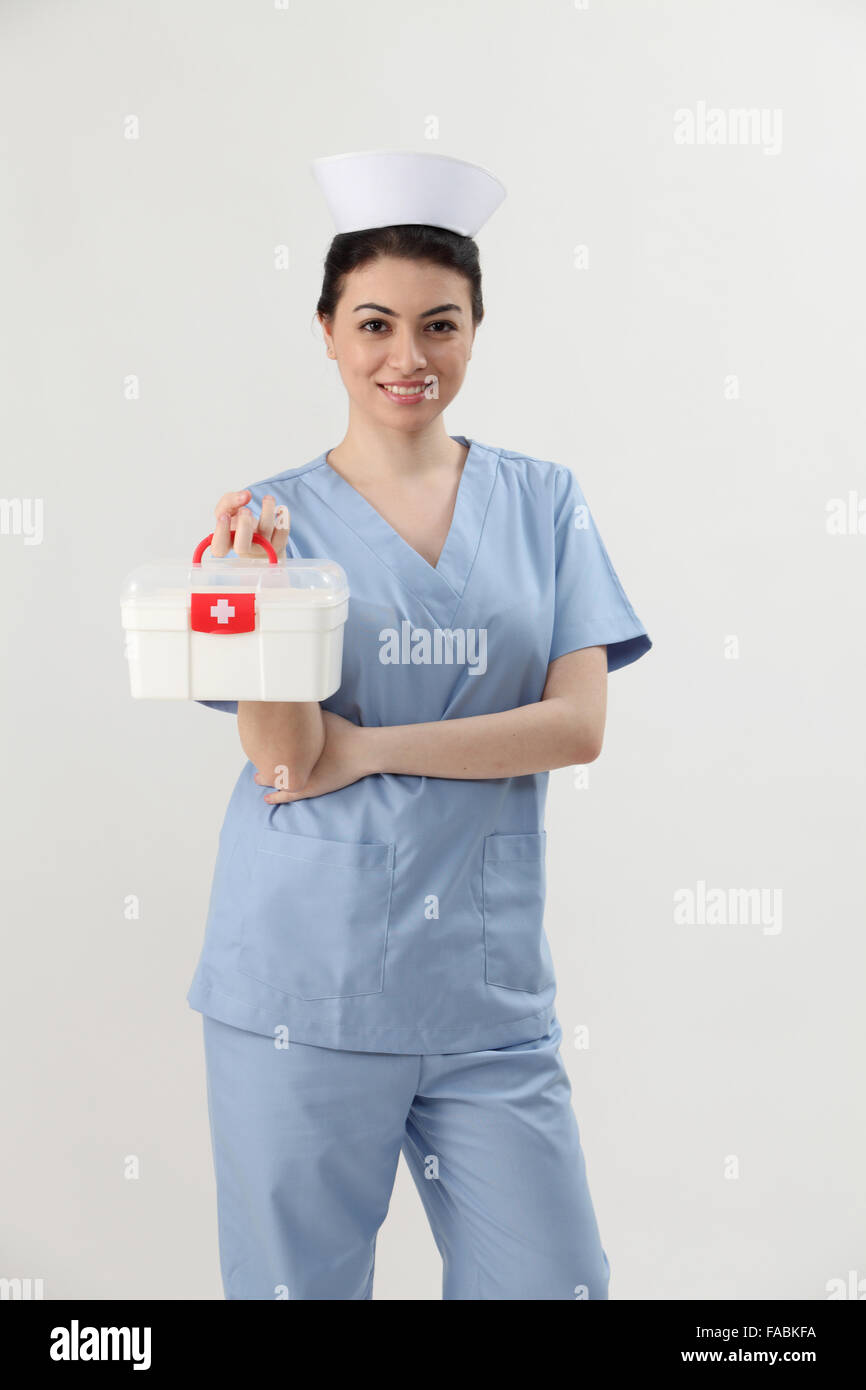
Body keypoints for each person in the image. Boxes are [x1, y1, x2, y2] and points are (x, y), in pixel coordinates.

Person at [188, 151, 652, 1300]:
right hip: (302, 980)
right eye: (375, 324)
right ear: (328, 331)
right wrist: (261, 602)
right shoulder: (271, 521)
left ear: (474, 330)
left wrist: (374, 748)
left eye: (438, 325)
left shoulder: (544, 501)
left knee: (552, 1283)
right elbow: (284, 757)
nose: (408, 357)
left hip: (483, 999)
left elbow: (575, 724)